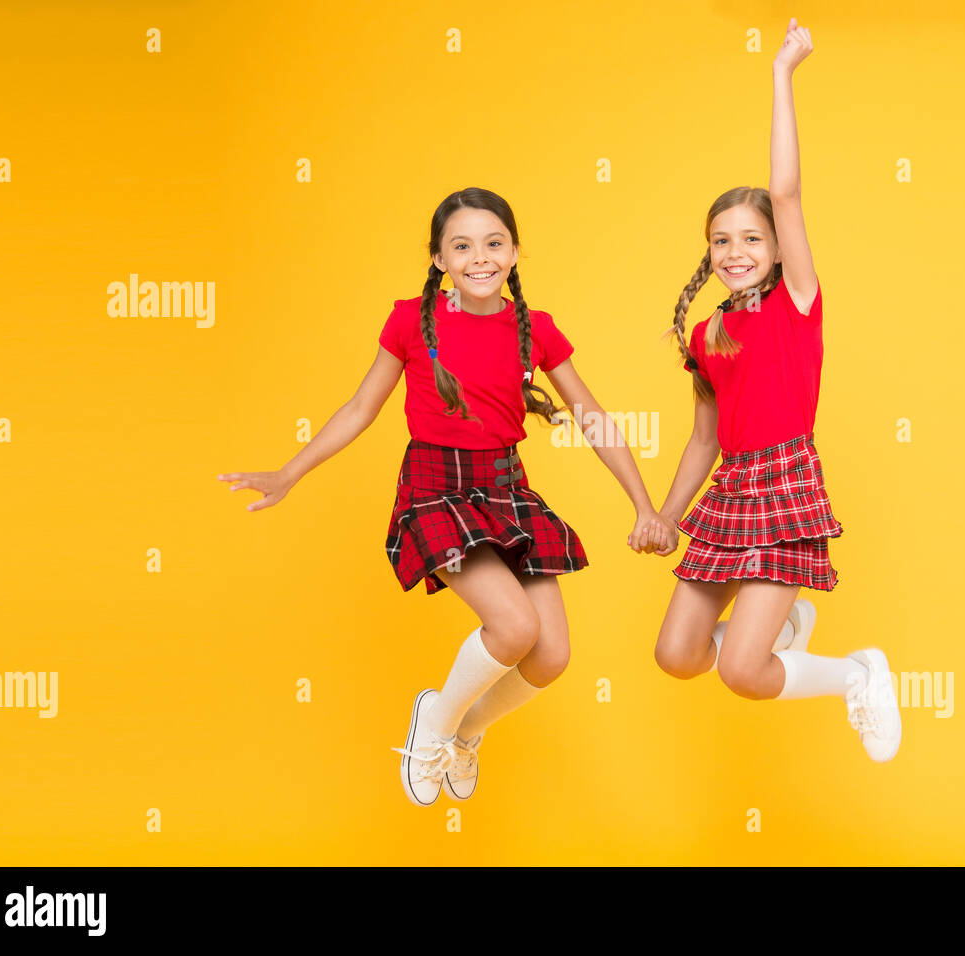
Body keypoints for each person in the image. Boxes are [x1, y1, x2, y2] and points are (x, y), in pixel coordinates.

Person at [219, 186, 669, 804]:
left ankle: (465, 731)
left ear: (514, 253)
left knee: (551, 656)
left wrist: (643, 505)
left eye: (494, 243)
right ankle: (432, 720)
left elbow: (591, 415)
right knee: (512, 626)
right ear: (438, 258)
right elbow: (359, 408)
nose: (479, 257)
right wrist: (290, 472)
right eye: (461, 245)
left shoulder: (535, 329)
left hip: (506, 489)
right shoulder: (410, 320)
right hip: (437, 489)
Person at [636, 19, 901, 762]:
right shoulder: (709, 335)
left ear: (780, 249)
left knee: (743, 674)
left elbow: (784, 190)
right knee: (678, 656)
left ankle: (857, 674)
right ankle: (778, 633)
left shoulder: (798, 304)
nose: (736, 252)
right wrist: (663, 513)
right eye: (722, 240)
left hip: (785, 484)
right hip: (729, 492)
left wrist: (783, 71)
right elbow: (704, 440)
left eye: (751, 239)